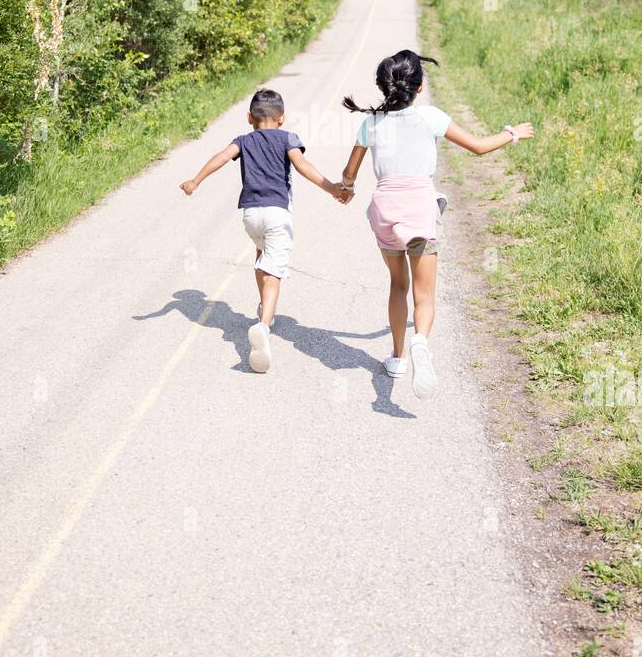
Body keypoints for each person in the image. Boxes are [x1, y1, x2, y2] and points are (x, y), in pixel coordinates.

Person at [339, 49, 534, 399]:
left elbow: (348, 174)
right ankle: (420, 343)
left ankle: (397, 358)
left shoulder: (370, 123)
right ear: (420, 85)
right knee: (423, 294)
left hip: (385, 211)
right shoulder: (431, 117)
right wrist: (512, 133)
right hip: (421, 209)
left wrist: (347, 189)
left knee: (398, 285)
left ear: (383, 87)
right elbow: (478, 147)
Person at [180, 88, 346, 373]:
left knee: (261, 256)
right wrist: (332, 188)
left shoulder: (243, 140)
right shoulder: (287, 138)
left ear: (249, 118)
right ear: (281, 118)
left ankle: (262, 307)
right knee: (274, 273)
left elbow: (220, 157)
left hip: (250, 215)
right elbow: (303, 165)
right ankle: (264, 325)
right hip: (276, 213)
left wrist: (195, 181)